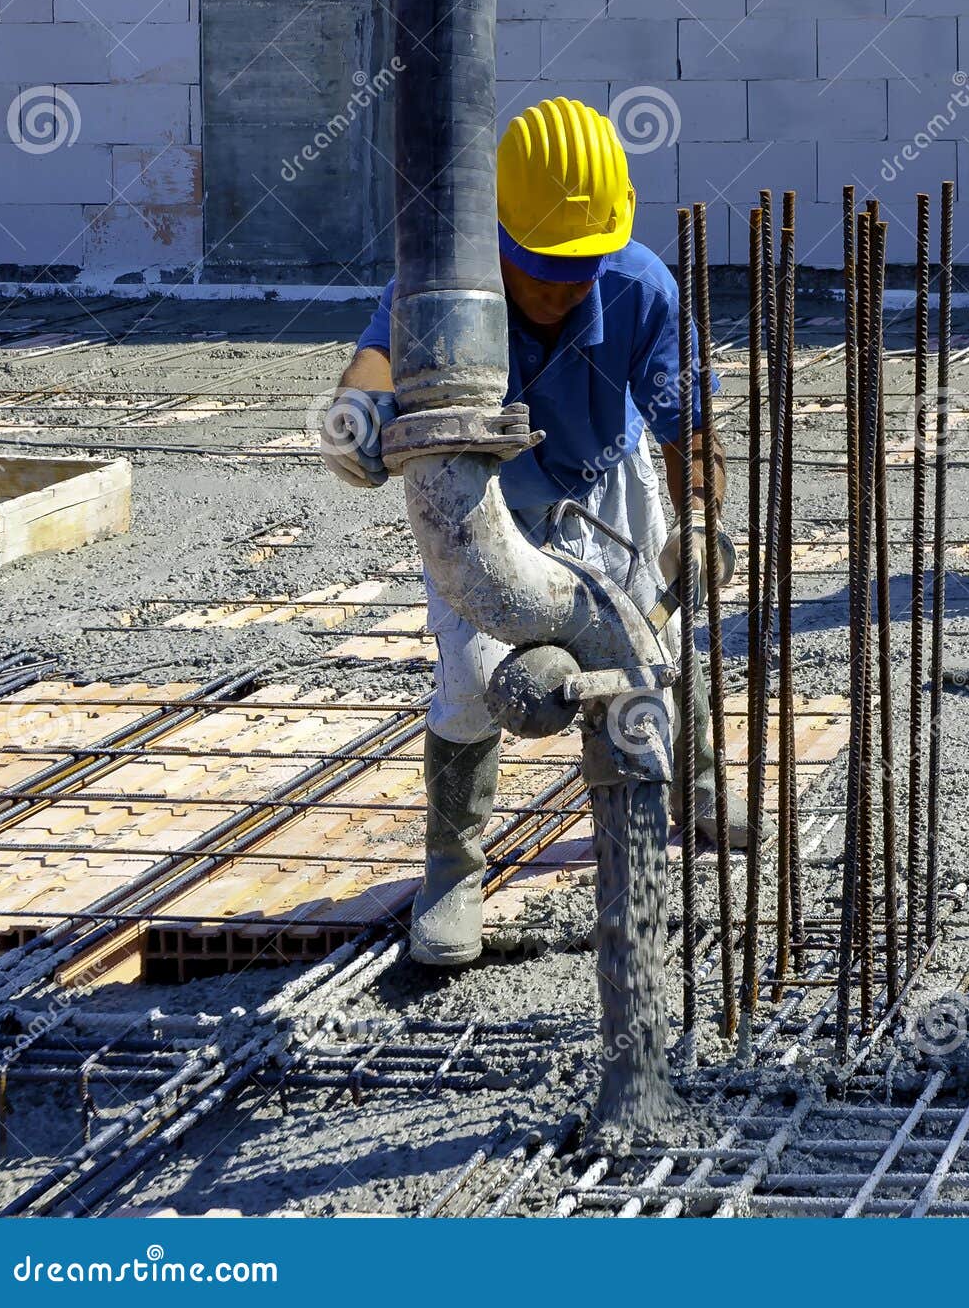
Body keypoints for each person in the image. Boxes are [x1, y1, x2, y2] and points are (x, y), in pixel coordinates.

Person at [320, 95, 746, 966]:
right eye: (546, 266)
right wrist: (355, 414)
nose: (567, 284)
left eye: (586, 262)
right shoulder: (444, 285)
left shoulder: (638, 288)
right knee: (473, 686)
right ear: (500, 237)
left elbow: (685, 431)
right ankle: (453, 867)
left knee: (646, 647)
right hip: (483, 509)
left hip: (605, 484)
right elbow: (376, 355)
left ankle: (694, 786)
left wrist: (698, 517)